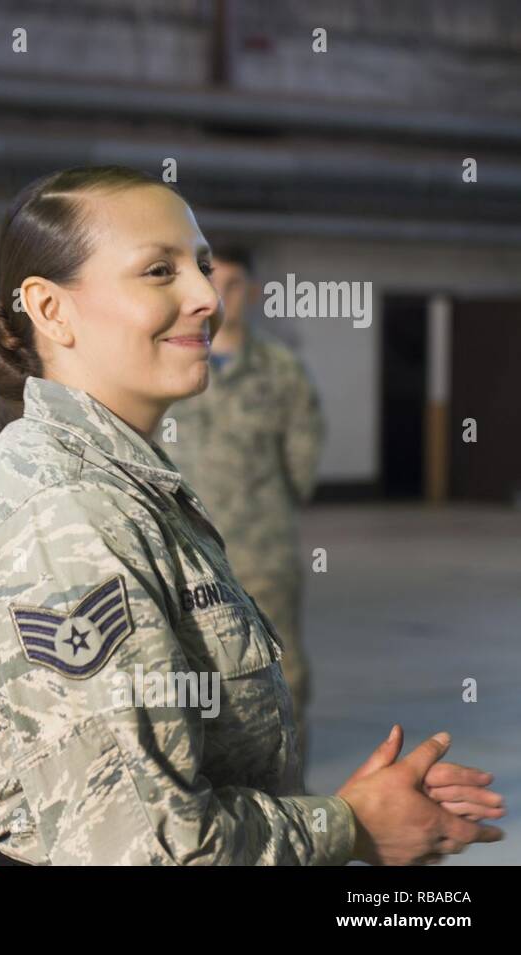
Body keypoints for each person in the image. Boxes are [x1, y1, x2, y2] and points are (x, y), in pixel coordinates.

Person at [0, 165, 506, 865]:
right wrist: (347, 826)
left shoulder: (116, 479)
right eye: (158, 271)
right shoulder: (71, 522)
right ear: (52, 310)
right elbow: (140, 847)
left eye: (203, 267)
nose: (207, 296)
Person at [163, 245, 323, 765]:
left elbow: (303, 450)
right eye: (214, 282)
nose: (223, 296)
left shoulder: (279, 369)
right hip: (181, 546)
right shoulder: (173, 359)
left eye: (235, 285)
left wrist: (270, 503)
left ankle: (288, 780)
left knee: (282, 665)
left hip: (261, 545)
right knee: (187, 664)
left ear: (252, 292)